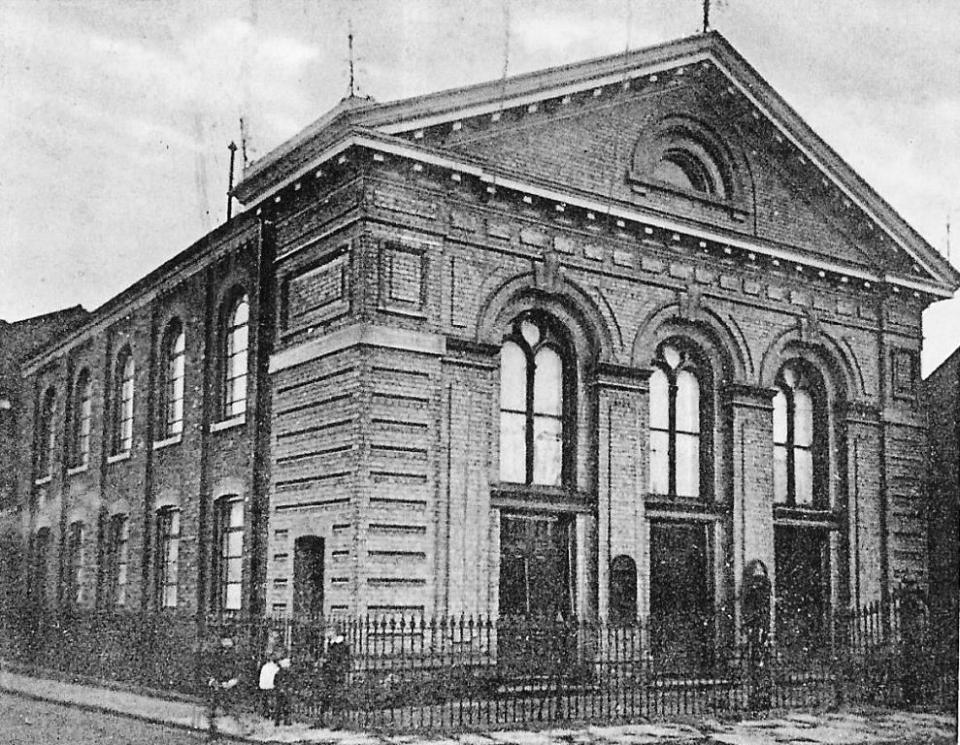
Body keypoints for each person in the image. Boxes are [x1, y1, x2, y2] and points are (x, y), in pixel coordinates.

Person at [207, 631, 240, 739]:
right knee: (214, 708)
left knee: (230, 708)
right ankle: (214, 730)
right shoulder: (216, 654)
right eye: (224, 640)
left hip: (231, 686)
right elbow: (210, 668)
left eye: (228, 640)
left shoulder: (236, 655)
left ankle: (236, 729)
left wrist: (233, 682)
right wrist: (212, 680)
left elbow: (240, 671)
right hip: (218, 685)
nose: (226, 643)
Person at [319, 632, 350, 727]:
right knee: (325, 696)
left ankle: (336, 722)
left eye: (329, 630)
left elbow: (343, 661)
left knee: (336, 698)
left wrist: (329, 663)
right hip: (328, 674)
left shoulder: (342, 645)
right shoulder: (328, 643)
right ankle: (322, 720)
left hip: (336, 675)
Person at [272, 656, 293, 726]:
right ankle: (280, 721)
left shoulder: (284, 673)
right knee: (281, 707)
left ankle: (285, 721)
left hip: (284, 691)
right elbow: (276, 682)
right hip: (282, 691)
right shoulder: (280, 673)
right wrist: (281, 689)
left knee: (284, 707)